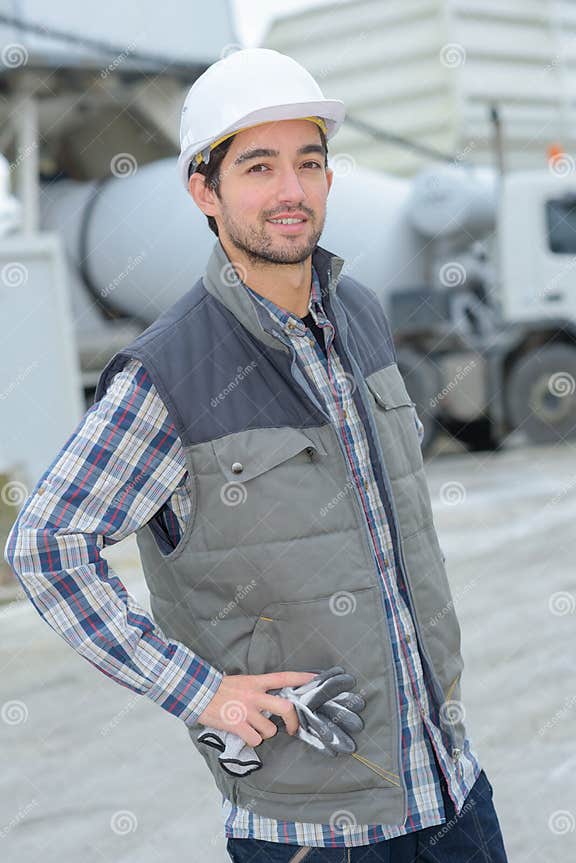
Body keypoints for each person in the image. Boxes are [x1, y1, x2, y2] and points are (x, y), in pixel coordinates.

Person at [4, 48, 509, 862]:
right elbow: (44, 543)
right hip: (312, 834)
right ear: (205, 190)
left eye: (309, 162)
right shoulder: (169, 374)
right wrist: (198, 690)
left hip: (451, 790)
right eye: (259, 166)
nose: (290, 191)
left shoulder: (364, 316)